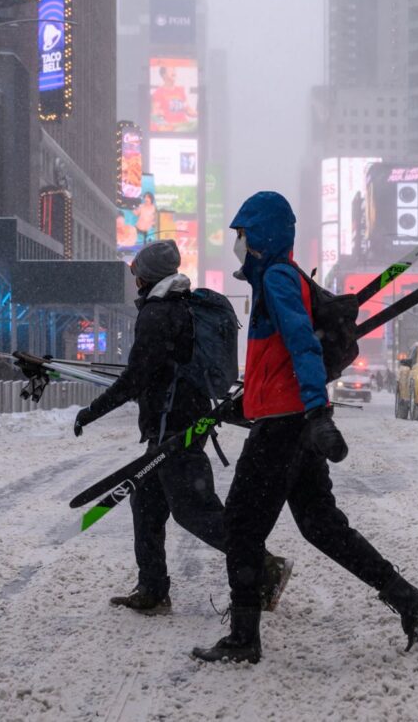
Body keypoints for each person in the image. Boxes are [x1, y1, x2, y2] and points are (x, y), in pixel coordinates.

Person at [193, 192, 418, 665]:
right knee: (320, 525)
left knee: (241, 526)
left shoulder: (277, 278)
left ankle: (244, 638)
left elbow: (303, 345)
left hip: (286, 426)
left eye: (242, 234)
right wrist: (247, 402)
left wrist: (316, 411)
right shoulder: (277, 278)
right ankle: (412, 602)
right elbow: (277, 360)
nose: (238, 243)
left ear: (261, 234)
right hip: (290, 421)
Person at [73, 240, 292, 615]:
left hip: (175, 429)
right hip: (180, 422)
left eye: (137, 272)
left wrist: (92, 411)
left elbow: (135, 378)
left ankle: (265, 567)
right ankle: (153, 590)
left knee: (195, 511)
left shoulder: (158, 313)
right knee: (146, 504)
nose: (135, 280)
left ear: (146, 276)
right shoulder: (183, 306)